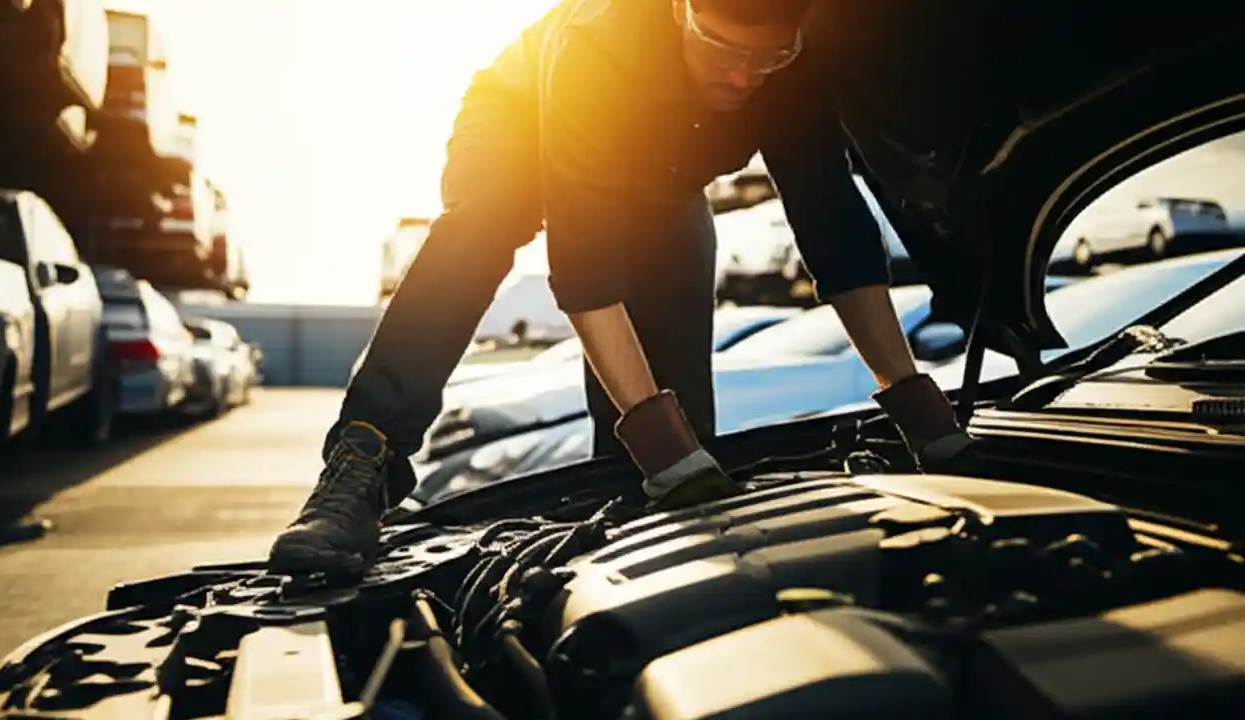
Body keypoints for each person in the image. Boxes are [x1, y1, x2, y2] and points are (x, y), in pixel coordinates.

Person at [267, 0, 976, 577]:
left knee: (683, 441)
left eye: (767, 57)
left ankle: (633, 509)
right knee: (488, 216)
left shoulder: (789, 64)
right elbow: (585, 267)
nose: (742, 79)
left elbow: (832, 222)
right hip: (520, 118)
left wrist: (915, 402)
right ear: (678, 10)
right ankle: (363, 463)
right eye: (724, 50)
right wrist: (656, 438)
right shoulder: (598, 43)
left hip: (660, 173)